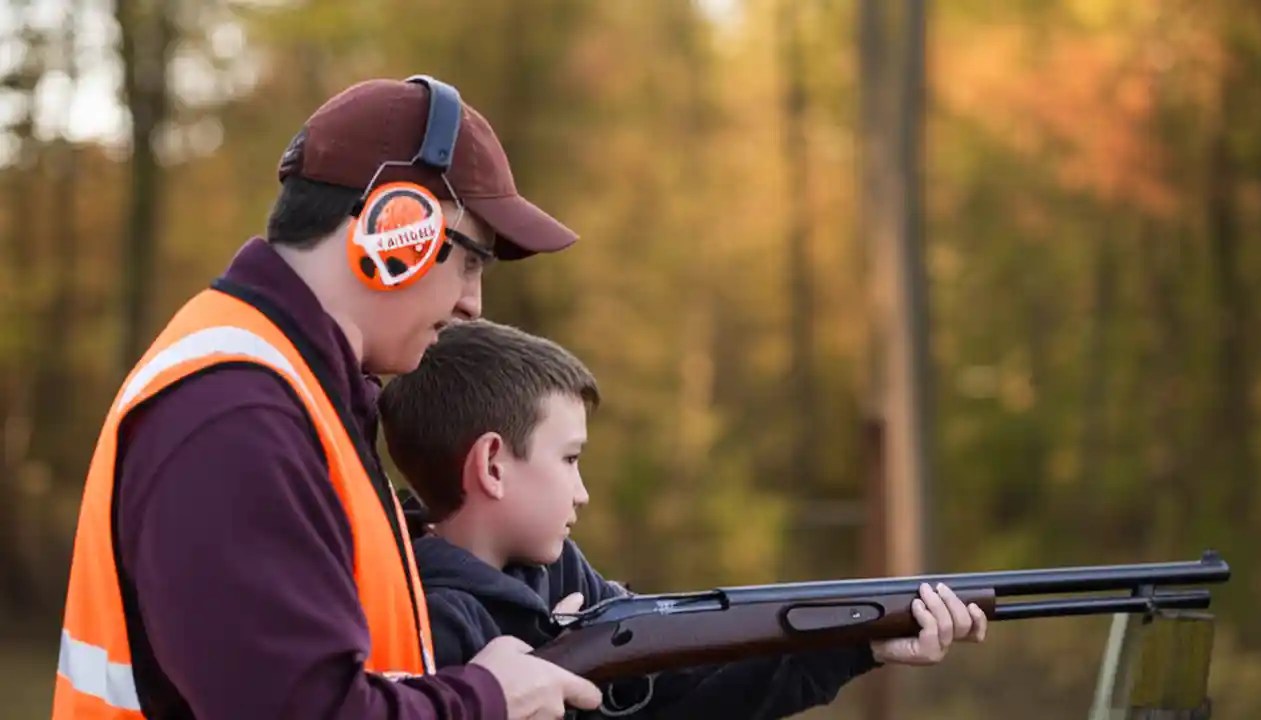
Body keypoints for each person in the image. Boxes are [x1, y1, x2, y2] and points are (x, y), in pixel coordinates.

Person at [52, 75, 603, 719]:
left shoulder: (299, 400)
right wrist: (487, 699)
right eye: (472, 260)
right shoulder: (236, 416)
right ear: (398, 227)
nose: (472, 304)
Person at [378, 320, 990, 719]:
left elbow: (691, 699)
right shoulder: (432, 621)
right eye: (569, 459)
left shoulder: (560, 574)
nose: (583, 492)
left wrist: (857, 644)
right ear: (492, 464)